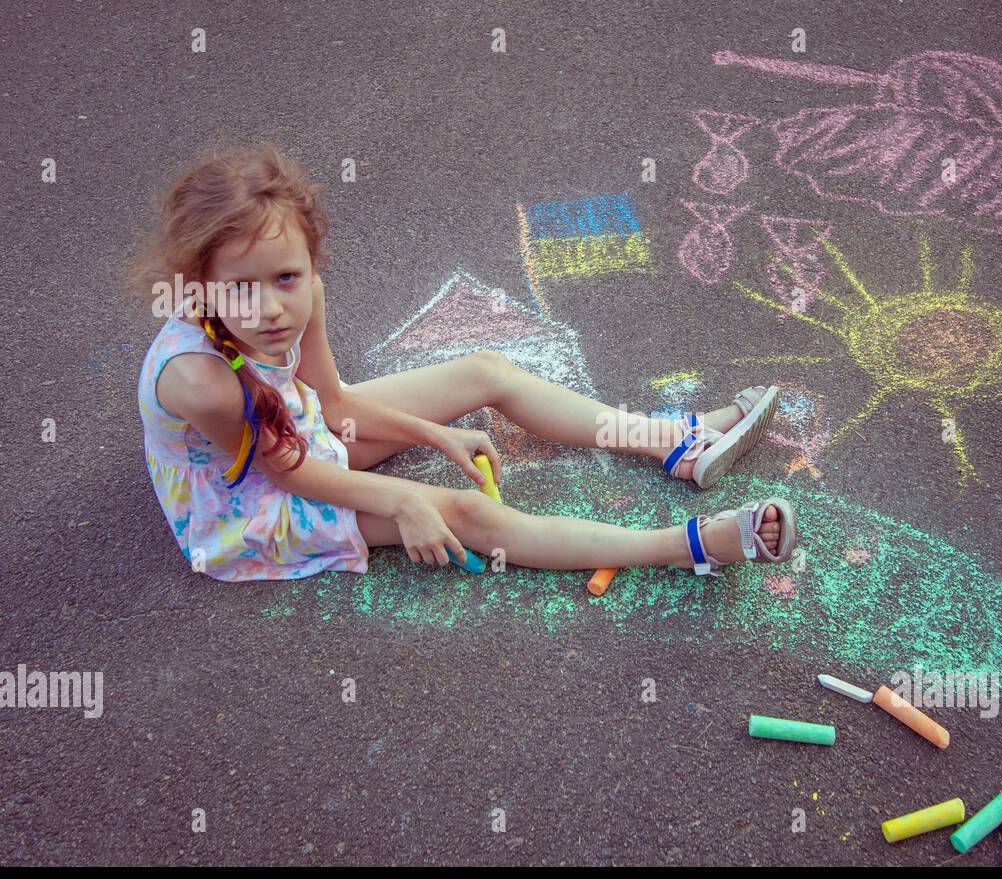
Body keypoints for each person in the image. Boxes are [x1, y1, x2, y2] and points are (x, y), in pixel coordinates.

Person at [131, 142, 796, 583]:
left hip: (296, 435)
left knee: (485, 372)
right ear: (201, 282)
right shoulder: (204, 383)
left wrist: (431, 433)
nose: (273, 309)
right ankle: (694, 545)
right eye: (242, 288)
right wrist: (406, 501)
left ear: (308, 264)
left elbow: (330, 409)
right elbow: (297, 474)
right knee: (470, 515)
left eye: (287, 278)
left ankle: (670, 442)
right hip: (252, 502)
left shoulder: (296, 295)